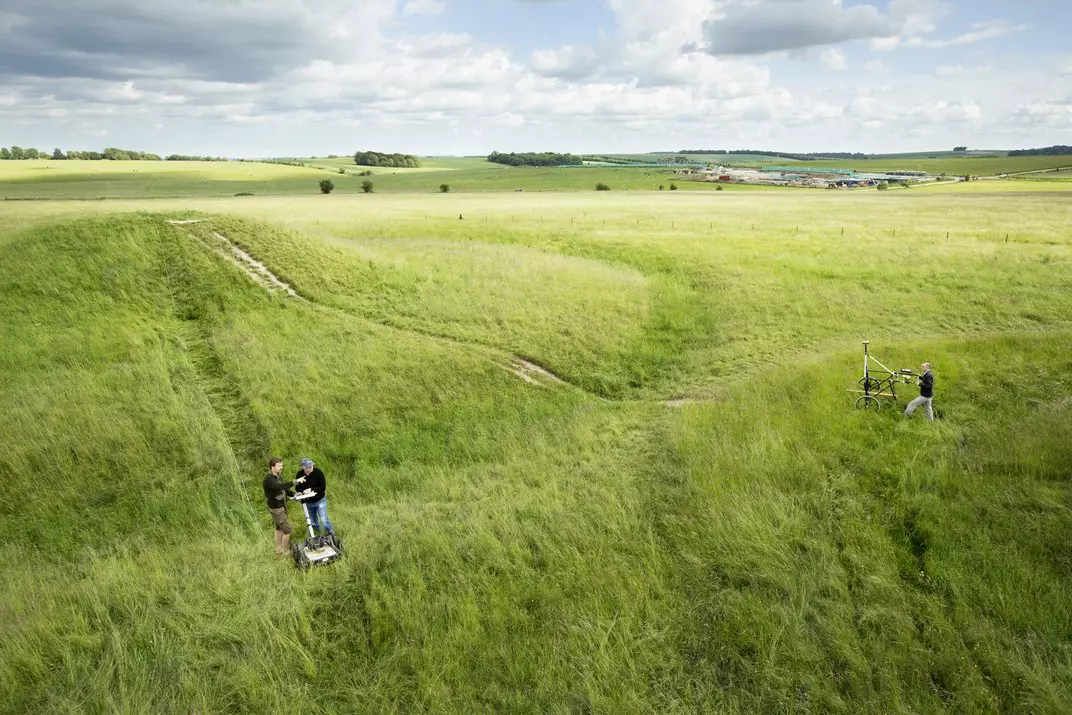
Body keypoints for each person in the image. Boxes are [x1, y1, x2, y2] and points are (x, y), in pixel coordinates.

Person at [263, 457, 306, 555]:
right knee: (287, 530)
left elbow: (284, 490)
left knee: (279, 527)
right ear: (272, 467)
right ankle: (286, 552)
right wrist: (295, 481)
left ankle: (278, 549)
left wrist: (294, 494)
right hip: (277, 509)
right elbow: (280, 486)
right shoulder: (269, 480)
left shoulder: (278, 476)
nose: (281, 467)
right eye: (279, 465)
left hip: (281, 506)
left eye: (282, 465)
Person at [295, 457, 333, 537]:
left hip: (319, 500)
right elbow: (297, 487)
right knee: (313, 522)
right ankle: (319, 536)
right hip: (308, 502)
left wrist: (311, 489)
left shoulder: (318, 473)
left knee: (323, 520)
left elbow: (323, 486)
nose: (309, 469)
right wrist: (300, 492)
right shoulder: (299, 474)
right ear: (303, 467)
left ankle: (331, 533)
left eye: (310, 467)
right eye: (307, 468)